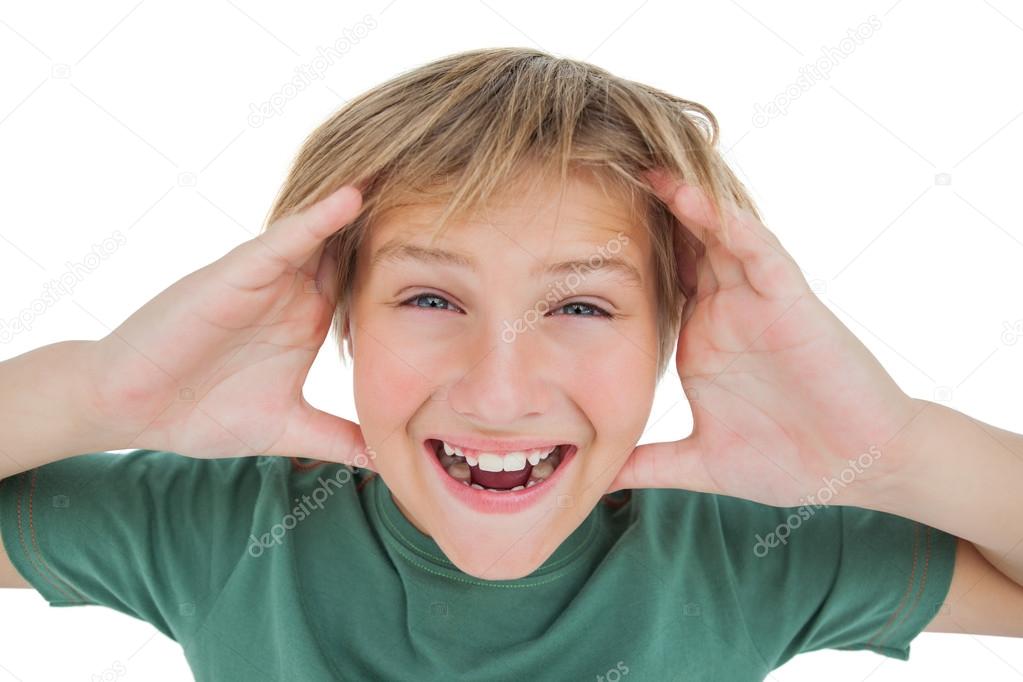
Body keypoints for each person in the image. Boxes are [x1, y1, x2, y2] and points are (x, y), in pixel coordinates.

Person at [1, 46, 1020, 681]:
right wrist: (97, 391)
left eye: (580, 304)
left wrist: (896, 451)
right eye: (432, 299)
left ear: (676, 328)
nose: (499, 392)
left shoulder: (749, 548)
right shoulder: (223, 527)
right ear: (335, 315)